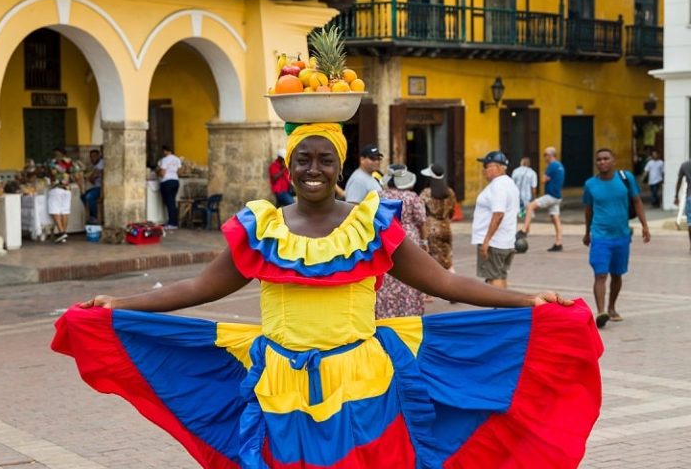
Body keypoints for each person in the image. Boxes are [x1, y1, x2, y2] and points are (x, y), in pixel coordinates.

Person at [53, 122, 602, 469]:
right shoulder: (260, 229)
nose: (313, 169)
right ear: (288, 167)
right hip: (279, 384)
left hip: (364, 380)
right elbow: (198, 288)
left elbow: (445, 283)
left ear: (340, 168)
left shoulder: (371, 226)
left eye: (324, 160)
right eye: (302, 159)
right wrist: (118, 306)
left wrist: (529, 300)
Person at [583, 148, 650, 329]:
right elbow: (588, 210)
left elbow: (637, 201)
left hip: (622, 235)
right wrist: (587, 232)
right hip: (600, 236)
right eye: (599, 159)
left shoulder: (625, 178)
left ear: (614, 161)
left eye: (606, 158)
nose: (602, 162)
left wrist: (645, 225)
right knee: (600, 274)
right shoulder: (590, 184)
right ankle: (601, 312)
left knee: (617, 274)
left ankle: (612, 307)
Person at [374, 164, 427, 318]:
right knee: (411, 275)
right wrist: (424, 242)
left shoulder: (378, 196)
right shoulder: (412, 197)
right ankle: (409, 314)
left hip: (385, 239)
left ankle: (386, 315)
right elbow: (422, 222)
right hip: (409, 239)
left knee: (387, 275)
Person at [472, 151, 520, 288]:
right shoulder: (509, 183)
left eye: (487, 166)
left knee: (493, 279)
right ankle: (503, 307)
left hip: (495, 242)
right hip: (505, 240)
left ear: (498, 168)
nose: (484, 170)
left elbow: (498, 214)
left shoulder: (498, 186)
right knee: (500, 276)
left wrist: (486, 241)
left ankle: (497, 308)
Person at [519, 147, 565, 251]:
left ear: (550, 155)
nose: (544, 157)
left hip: (551, 195)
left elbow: (543, 180)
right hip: (557, 195)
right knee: (555, 218)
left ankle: (524, 229)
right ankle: (559, 242)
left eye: (545, 155)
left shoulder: (552, 166)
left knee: (530, 206)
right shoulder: (560, 165)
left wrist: (546, 178)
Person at [419, 163, 457, 273]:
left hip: (432, 228)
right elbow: (452, 211)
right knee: (446, 258)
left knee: (433, 261)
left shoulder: (426, 193)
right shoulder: (450, 192)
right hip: (446, 227)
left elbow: (420, 211)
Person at [46, 147, 78, 244]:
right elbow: (75, 174)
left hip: (56, 188)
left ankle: (61, 231)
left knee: (54, 210)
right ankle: (63, 235)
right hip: (67, 189)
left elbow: (51, 173)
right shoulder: (70, 162)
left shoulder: (53, 162)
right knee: (64, 211)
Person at [157, 145, 182, 230]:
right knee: (172, 202)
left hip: (167, 182)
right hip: (175, 181)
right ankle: (173, 221)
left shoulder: (165, 159)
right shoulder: (177, 159)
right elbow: (179, 172)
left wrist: (158, 172)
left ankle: (172, 223)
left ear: (165, 151)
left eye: (163, 151)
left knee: (169, 203)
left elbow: (162, 173)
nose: (163, 153)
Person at [81, 149, 104, 223]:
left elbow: (92, 178)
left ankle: (95, 216)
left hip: (101, 188)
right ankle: (90, 214)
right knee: (83, 195)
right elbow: (91, 177)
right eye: (91, 157)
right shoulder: (95, 165)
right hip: (96, 187)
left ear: (98, 156)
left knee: (89, 196)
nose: (92, 158)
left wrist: (90, 177)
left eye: (94, 156)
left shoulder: (101, 163)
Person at [674, 158, 691, 251]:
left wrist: (676, 196)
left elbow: (679, 181)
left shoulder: (685, 165)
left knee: (690, 222)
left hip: (690, 197)